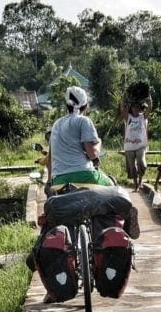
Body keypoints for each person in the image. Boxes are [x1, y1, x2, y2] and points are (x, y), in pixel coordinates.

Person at [47, 85, 139, 239]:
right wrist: (99, 143)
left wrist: (49, 180)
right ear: (85, 105)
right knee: (115, 189)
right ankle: (128, 218)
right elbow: (92, 153)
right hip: (85, 175)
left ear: (66, 105)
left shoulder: (56, 124)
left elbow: (50, 157)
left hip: (59, 181)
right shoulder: (84, 121)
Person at [120, 97, 151, 192]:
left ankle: (140, 181)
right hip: (129, 145)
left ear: (140, 108)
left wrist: (149, 100)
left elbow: (149, 109)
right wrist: (123, 101)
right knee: (132, 166)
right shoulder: (128, 117)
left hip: (140, 145)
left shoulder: (143, 117)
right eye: (133, 107)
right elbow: (122, 110)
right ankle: (136, 185)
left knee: (141, 163)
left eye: (137, 107)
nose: (135, 109)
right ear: (131, 108)